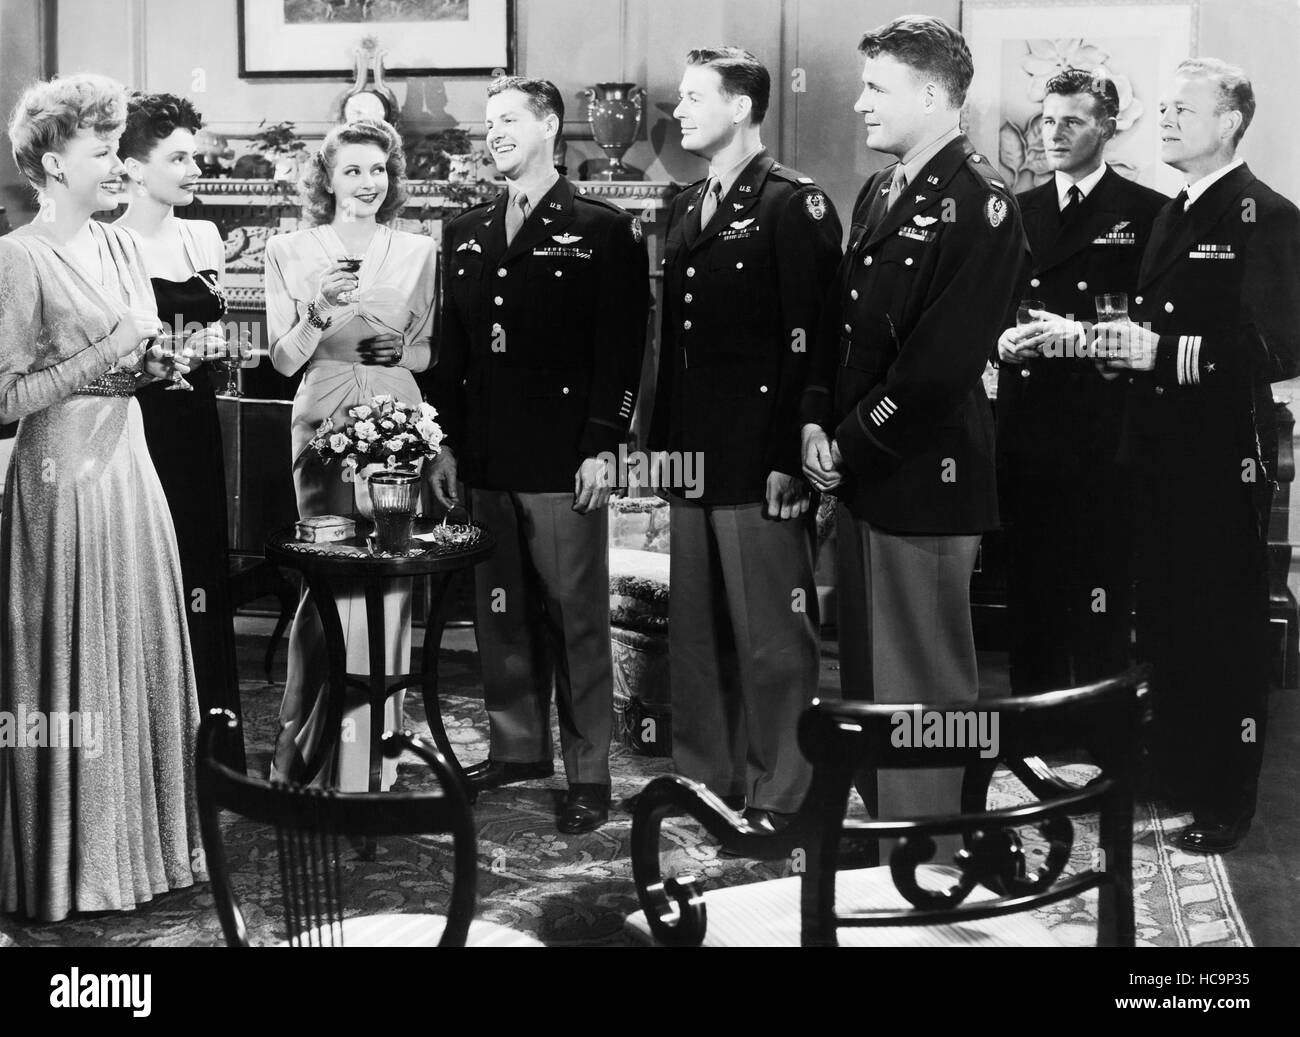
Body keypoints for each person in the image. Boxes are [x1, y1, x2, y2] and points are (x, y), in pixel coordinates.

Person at [800, 16, 1026, 840]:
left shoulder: (983, 202)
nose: (859, 104)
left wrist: (848, 442)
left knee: (925, 678)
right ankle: (888, 825)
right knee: (869, 671)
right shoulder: (882, 190)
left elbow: (938, 364)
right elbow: (843, 323)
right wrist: (817, 422)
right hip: (865, 469)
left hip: (924, 471)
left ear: (932, 96)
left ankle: (930, 844)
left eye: (876, 88)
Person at [0, 73, 205, 921]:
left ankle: (146, 854)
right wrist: (113, 348)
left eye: (120, 147)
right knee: (75, 672)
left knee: (138, 651)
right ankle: (72, 868)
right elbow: (5, 399)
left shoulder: (123, 248)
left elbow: (132, 356)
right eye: (101, 150)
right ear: (54, 163)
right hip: (61, 482)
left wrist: (154, 365)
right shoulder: (16, 257)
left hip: (130, 470)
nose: (117, 163)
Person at [428, 76, 649, 834]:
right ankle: (518, 747)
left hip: (564, 461)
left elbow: (621, 353)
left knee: (575, 620)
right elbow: (450, 354)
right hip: (485, 457)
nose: (493, 133)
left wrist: (604, 447)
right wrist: (447, 443)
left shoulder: (600, 227)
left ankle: (589, 771)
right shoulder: (463, 231)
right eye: (488, 122)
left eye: (510, 120)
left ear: (551, 125)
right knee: (502, 614)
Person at [1099, 59, 1300, 853]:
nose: (1169, 120)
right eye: (1168, 109)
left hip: (1224, 459)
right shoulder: (1174, 212)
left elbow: (1279, 345)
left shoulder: (1268, 215)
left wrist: (1164, 353)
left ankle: (1225, 797)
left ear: (1229, 121)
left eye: (1186, 109)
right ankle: (1177, 768)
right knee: (1170, 624)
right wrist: (1121, 351)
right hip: (1158, 451)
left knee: (1223, 632)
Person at [647, 47, 842, 833]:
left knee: (771, 641)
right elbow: (673, 344)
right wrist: (663, 449)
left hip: (759, 459)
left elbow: (812, 339)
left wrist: (787, 459)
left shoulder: (795, 205)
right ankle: (706, 780)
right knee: (696, 636)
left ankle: (783, 793)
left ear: (741, 108)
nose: (680, 111)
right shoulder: (687, 203)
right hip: (696, 456)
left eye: (695, 98)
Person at [264, 119, 436, 791]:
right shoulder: (288, 249)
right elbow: (281, 360)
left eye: (379, 170)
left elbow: (429, 349)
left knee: (391, 576)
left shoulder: (421, 249)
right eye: (353, 170)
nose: (368, 182)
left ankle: (372, 752)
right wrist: (315, 314)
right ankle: (304, 738)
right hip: (322, 416)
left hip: (397, 413)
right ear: (326, 180)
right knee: (328, 576)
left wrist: (400, 353)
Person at [995, 69, 1166, 694]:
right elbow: (989, 306)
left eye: (1072, 120)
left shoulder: (1149, 213)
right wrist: (1001, 342)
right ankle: (1027, 731)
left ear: (1108, 128)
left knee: (1102, 590)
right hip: (1027, 427)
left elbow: (1156, 324)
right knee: (1030, 588)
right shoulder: (1016, 209)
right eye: (1047, 118)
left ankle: (1101, 739)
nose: (1053, 132)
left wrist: (1084, 336)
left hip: (1104, 430)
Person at [115, 91, 245, 769]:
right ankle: (157, 761)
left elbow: (214, 328)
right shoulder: (109, 243)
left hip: (195, 417)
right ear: (134, 167)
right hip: (139, 425)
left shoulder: (204, 235)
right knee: (150, 575)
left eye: (196, 153)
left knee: (201, 566)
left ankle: (215, 750)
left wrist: (206, 350)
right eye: (178, 156)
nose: (195, 167)